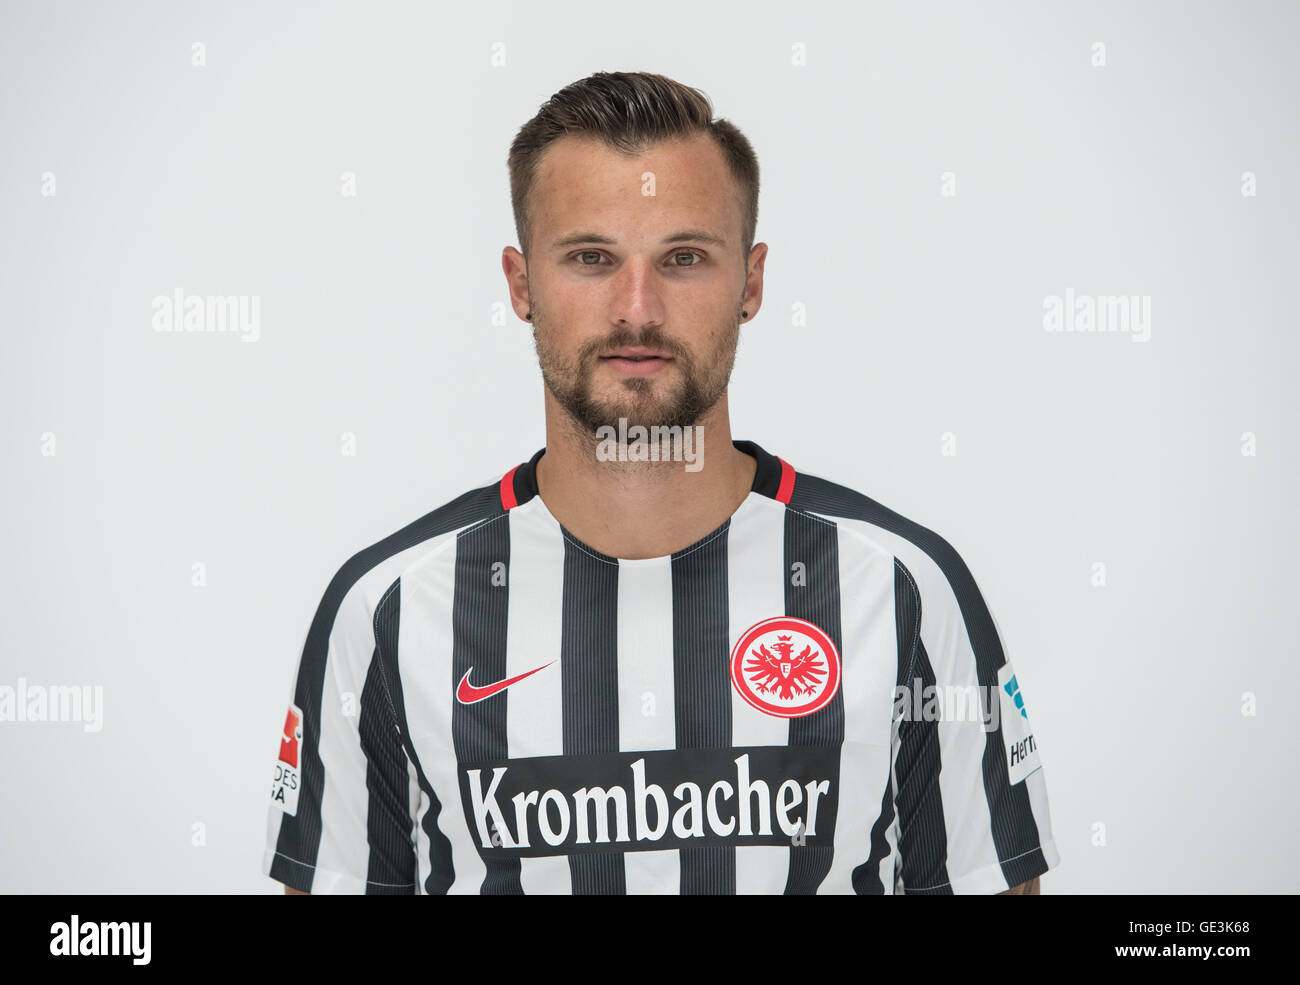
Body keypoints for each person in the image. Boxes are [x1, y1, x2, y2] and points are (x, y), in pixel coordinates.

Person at [263, 70, 1058, 895]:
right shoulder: (387, 611)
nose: (636, 308)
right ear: (521, 283)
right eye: (590, 257)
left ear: (750, 283)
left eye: (683, 257)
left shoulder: (904, 591)